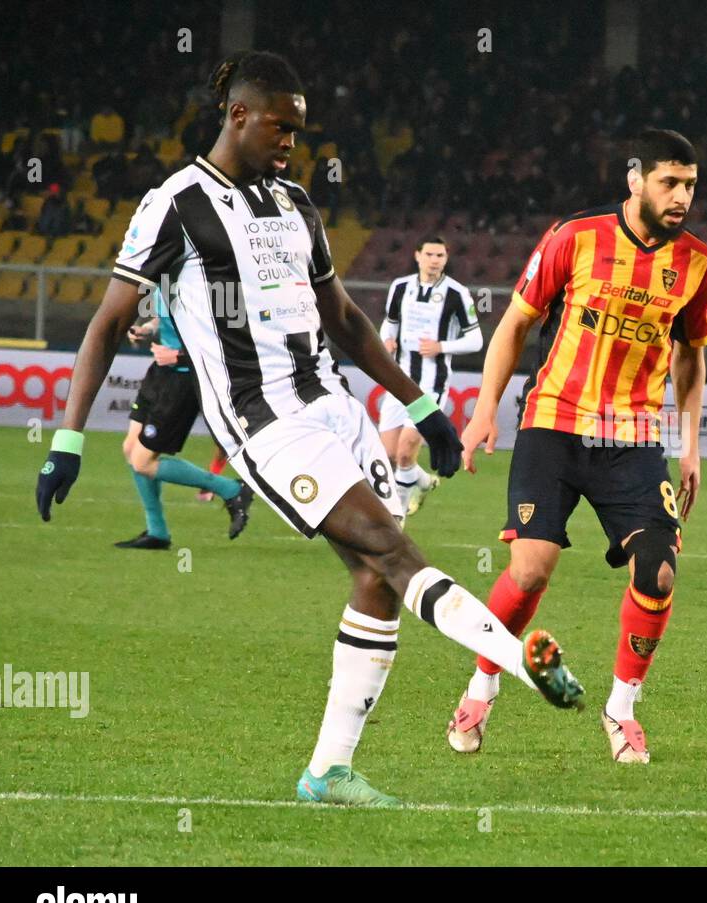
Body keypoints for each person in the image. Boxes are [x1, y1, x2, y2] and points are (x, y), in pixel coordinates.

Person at [35, 50, 583, 809]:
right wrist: (67, 440)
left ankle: (328, 772)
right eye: (280, 127)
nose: (292, 143)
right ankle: (525, 664)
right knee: (393, 551)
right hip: (267, 428)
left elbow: (347, 323)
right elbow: (105, 325)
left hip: (334, 409)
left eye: (299, 130)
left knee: (375, 580)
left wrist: (421, 407)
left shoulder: (296, 204)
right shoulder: (176, 203)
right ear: (236, 116)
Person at [454, 128, 707, 764]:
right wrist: (486, 407)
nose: (681, 196)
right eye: (669, 183)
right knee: (530, 569)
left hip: (631, 438)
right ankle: (481, 687)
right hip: (552, 423)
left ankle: (620, 711)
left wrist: (689, 445)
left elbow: (690, 356)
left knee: (657, 570)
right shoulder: (574, 238)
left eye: (690, 185)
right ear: (636, 180)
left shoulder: (698, 264)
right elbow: (517, 321)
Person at [116, 291, 254, 549]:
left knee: (142, 462)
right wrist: (147, 329)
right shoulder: (165, 277)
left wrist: (177, 357)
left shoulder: (202, 284)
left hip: (184, 380)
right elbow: (163, 318)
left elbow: (223, 342)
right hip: (160, 373)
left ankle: (231, 490)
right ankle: (157, 533)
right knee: (130, 448)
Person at [378, 236, 483, 517]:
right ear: (417, 255)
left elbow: (476, 340)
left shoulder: (456, 293)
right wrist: (386, 341)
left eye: (440, 255)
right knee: (387, 456)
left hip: (431, 384)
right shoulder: (400, 288)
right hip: (398, 380)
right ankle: (422, 481)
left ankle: (396, 517)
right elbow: (388, 325)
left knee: (405, 451)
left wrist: (441, 347)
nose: (434, 260)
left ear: (446, 258)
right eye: (430, 254)